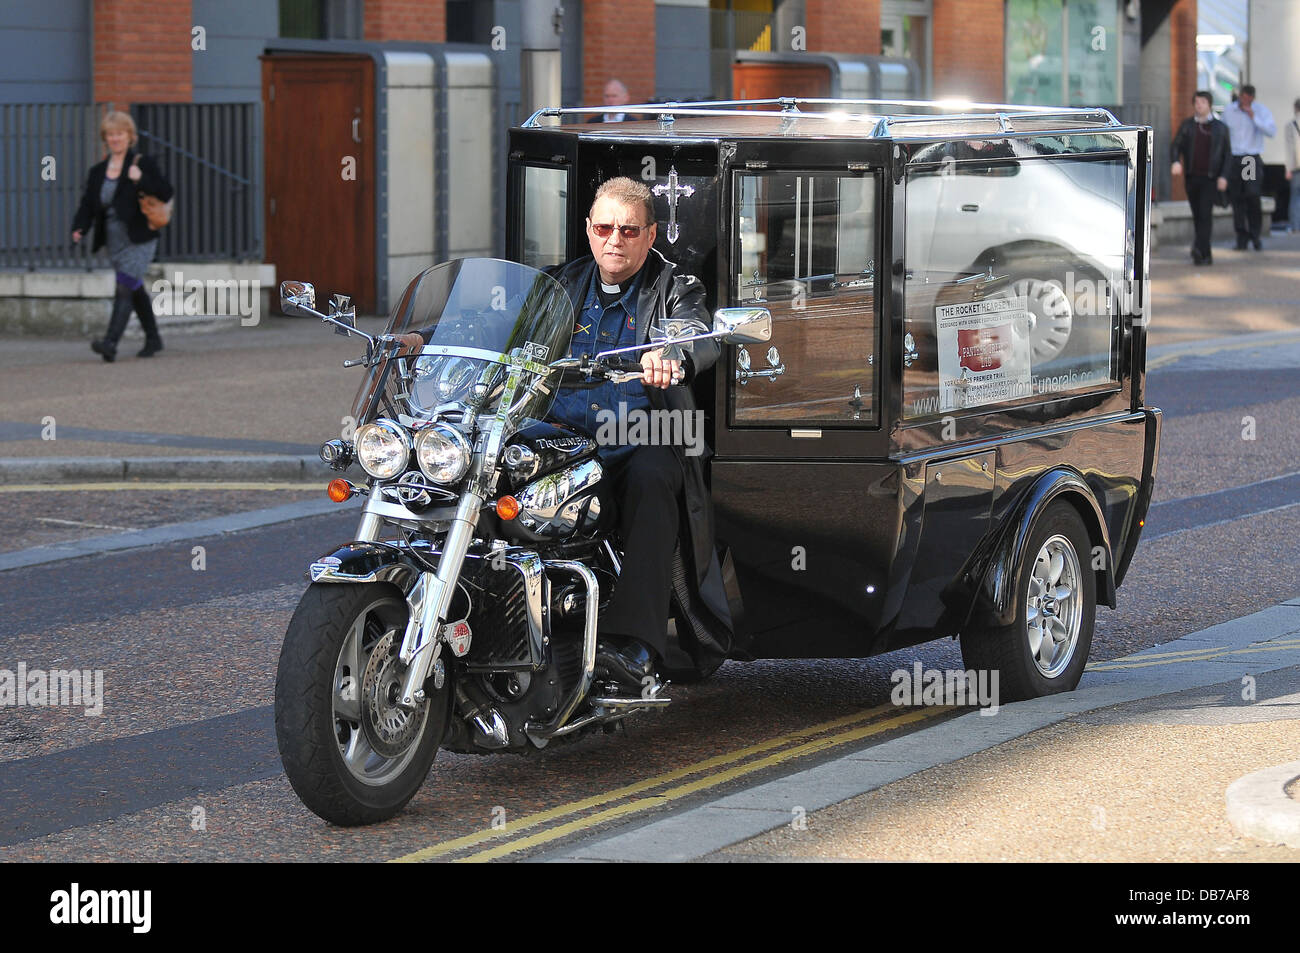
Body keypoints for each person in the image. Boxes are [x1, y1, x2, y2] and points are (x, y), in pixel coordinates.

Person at [541, 176, 732, 689]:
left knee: (653, 476)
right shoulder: (558, 285)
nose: (614, 240)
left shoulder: (676, 288)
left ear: (650, 235)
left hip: (637, 439)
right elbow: (493, 323)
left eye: (628, 230)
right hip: (561, 440)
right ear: (588, 230)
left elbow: (696, 333)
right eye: (604, 227)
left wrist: (672, 356)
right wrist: (420, 339)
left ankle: (636, 647)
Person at [71, 110, 173, 361]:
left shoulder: (142, 164)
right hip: (114, 239)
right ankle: (153, 338)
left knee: (125, 286)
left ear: (130, 136)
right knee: (134, 286)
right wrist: (79, 227)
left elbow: (166, 191)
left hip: (140, 236)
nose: (115, 138)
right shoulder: (98, 171)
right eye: (110, 134)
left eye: (120, 133)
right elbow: (88, 203)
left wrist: (142, 180)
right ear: (105, 138)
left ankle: (110, 343)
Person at [1171, 90, 1231, 265]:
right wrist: (1175, 161)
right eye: (1196, 103)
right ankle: (1205, 252)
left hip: (1211, 178)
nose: (1199, 106)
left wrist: (1224, 177)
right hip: (1192, 177)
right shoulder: (1188, 125)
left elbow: (1228, 155)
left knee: (1205, 213)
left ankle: (1198, 249)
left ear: (1209, 105)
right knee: (1198, 214)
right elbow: (1176, 146)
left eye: (1202, 102)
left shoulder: (1220, 128)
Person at [1221, 84, 1276, 250]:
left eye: (1249, 99)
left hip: (1249, 159)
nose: (1246, 101)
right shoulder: (1229, 111)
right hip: (1234, 158)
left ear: (1252, 98)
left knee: (1252, 195)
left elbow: (1271, 131)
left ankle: (1255, 234)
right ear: (1240, 96)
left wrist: (1253, 117)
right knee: (1236, 198)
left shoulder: (1260, 111)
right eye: (1244, 98)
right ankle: (1241, 237)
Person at [1285, 98, 1300, 233]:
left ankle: (1296, 226)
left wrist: (1288, 168)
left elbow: (1290, 149)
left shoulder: (1290, 125)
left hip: (1296, 166)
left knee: (1295, 197)